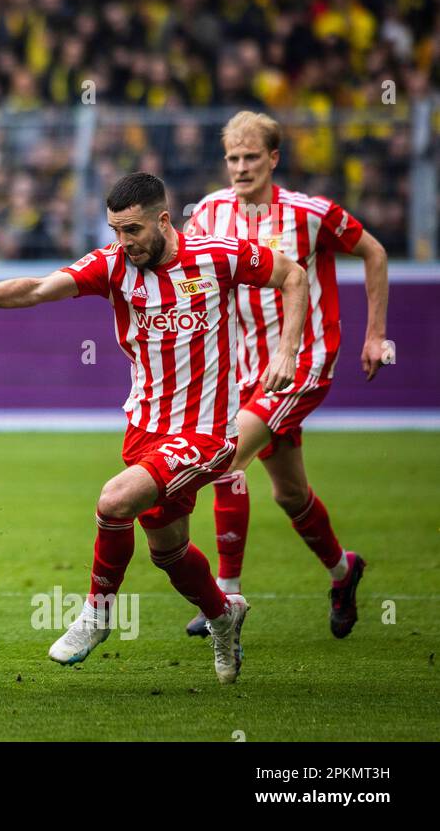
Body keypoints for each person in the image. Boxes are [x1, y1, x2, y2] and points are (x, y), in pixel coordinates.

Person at [0, 172, 310, 684]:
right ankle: (223, 614)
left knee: (113, 501)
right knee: (168, 552)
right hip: (145, 429)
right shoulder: (112, 266)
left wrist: (287, 350)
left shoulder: (218, 256)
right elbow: (40, 288)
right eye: (115, 230)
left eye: (131, 230)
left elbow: (294, 276)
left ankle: (96, 616)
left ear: (163, 220)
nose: (123, 242)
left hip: (208, 432)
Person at [183, 111, 389, 639]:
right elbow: (186, 277)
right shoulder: (207, 213)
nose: (241, 167)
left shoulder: (309, 213)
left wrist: (374, 335)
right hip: (248, 370)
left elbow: (374, 251)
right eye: (233, 158)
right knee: (290, 495)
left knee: (228, 454)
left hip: (303, 361)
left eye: (252, 157)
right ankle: (344, 571)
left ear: (274, 159)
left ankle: (225, 597)